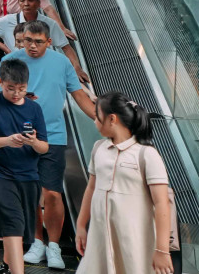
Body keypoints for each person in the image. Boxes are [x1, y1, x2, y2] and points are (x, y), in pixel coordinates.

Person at [1, 20, 97, 269]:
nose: (32, 46)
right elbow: (1, 96)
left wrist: (102, 120)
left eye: (38, 42)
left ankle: (54, 245)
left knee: (52, 192)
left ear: (49, 42)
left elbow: (79, 96)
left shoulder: (62, 62)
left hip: (52, 136)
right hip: (19, 137)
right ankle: (37, 242)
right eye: (28, 40)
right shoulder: (11, 61)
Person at [75, 92, 174, 274]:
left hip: (135, 242)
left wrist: (162, 251)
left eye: (97, 117)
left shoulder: (146, 154)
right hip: (100, 239)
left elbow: (162, 204)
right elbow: (91, 188)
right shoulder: (98, 149)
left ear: (112, 119)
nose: (94, 121)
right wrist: (81, 226)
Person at [0, 58, 49, 274]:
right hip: (0, 177)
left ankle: (6, 266)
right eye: (10, 89)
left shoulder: (34, 109)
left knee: (16, 233)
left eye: (21, 89)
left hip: (28, 178)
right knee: (13, 227)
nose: (16, 94)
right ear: (1, 83)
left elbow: (44, 147)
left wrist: (34, 142)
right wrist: (7, 140)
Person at [0, 0, 87, 82]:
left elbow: (66, 47)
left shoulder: (49, 24)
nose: (26, 4)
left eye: (30, 0)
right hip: (15, 71)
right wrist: (6, 49)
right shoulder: (8, 20)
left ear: (38, 3)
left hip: (40, 70)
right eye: (22, 1)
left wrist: (77, 68)